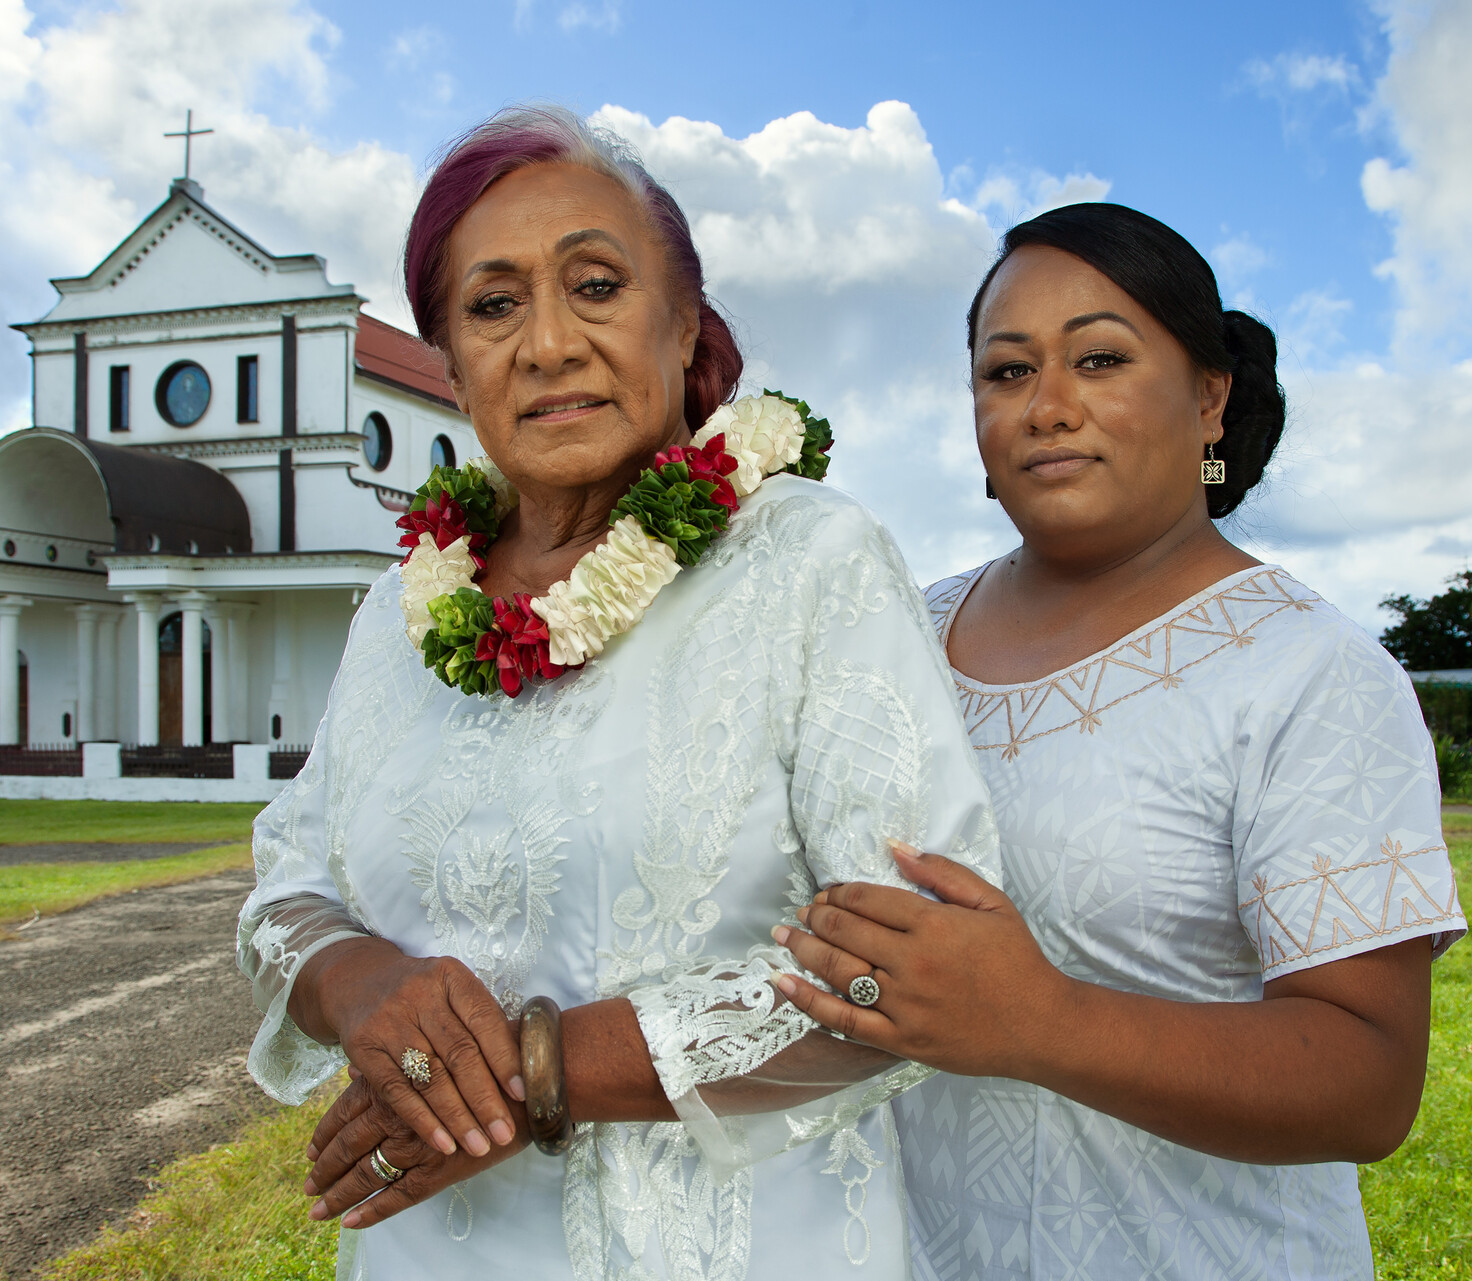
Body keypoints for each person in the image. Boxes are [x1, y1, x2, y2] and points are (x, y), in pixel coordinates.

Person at [240, 105, 998, 1281]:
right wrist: (361, 985)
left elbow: (920, 959)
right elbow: (287, 877)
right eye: (493, 305)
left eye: (594, 286)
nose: (547, 344)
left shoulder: (805, 560)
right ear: (447, 357)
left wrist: (531, 1071)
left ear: (683, 321)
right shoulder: (400, 615)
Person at [771, 203, 1467, 1281]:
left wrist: (1044, 1020)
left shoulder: (1307, 671)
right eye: (1006, 374)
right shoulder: (888, 635)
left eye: (1099, 359)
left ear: (1208, 398)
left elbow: (1369, 1080)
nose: (1047, 407)